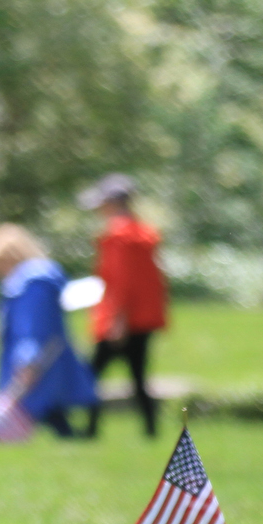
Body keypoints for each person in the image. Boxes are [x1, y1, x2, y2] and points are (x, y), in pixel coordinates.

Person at [0, 224, 98, 439]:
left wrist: (27, 360)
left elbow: (31, 325)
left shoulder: (31, 284)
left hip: (38, 360)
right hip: (50, 357)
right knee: (52, 411)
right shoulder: (36, 280)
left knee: (42, 406)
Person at [78, 174, 168, 438]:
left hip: (120, 320)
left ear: (112, 203)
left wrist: (116, 320)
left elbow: (121, 281)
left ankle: (90, 430)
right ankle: (151, 431)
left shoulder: (117, 236)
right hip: (144, 318)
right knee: (139, 378)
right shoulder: (146, 233)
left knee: (90, 376)